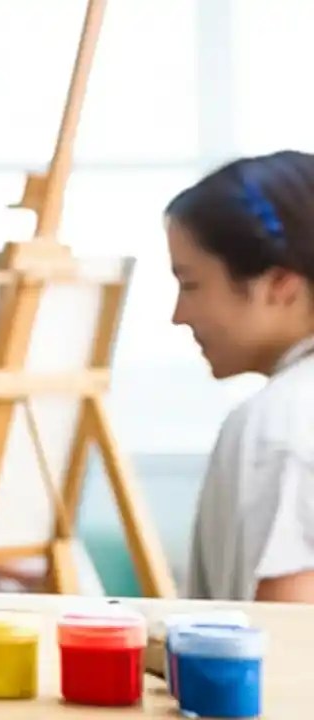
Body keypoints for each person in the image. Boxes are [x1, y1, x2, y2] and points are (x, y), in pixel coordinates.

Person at [167, 150, 314, 603]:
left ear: (280, 284)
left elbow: (294, 647)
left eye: (190, 284)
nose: (178, 315)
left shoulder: (282, 427)